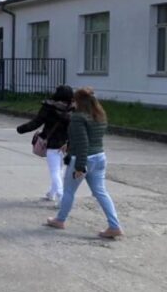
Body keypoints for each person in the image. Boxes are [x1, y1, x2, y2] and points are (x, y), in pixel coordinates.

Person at [47, 88, 123, 239]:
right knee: (101, 192)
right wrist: (70, 145)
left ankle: (59, 220)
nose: (72, 103)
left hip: (83, 158)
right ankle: (114, 226)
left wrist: (80, 167)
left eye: (74, 100)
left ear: (79, 101)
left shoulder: (78, 117)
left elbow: (83, 143)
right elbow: (89, 137)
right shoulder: (99, 115)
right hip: (99, 157)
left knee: (69, 191)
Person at [16, 85, 74, 206]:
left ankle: (61, 196)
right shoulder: (73, 108)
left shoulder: (49, 107)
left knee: (55, 171)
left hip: (52, 142)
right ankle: (52, 193)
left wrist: (21, 129)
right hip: (67, 143)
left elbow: (36, 122)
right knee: (59, 169)